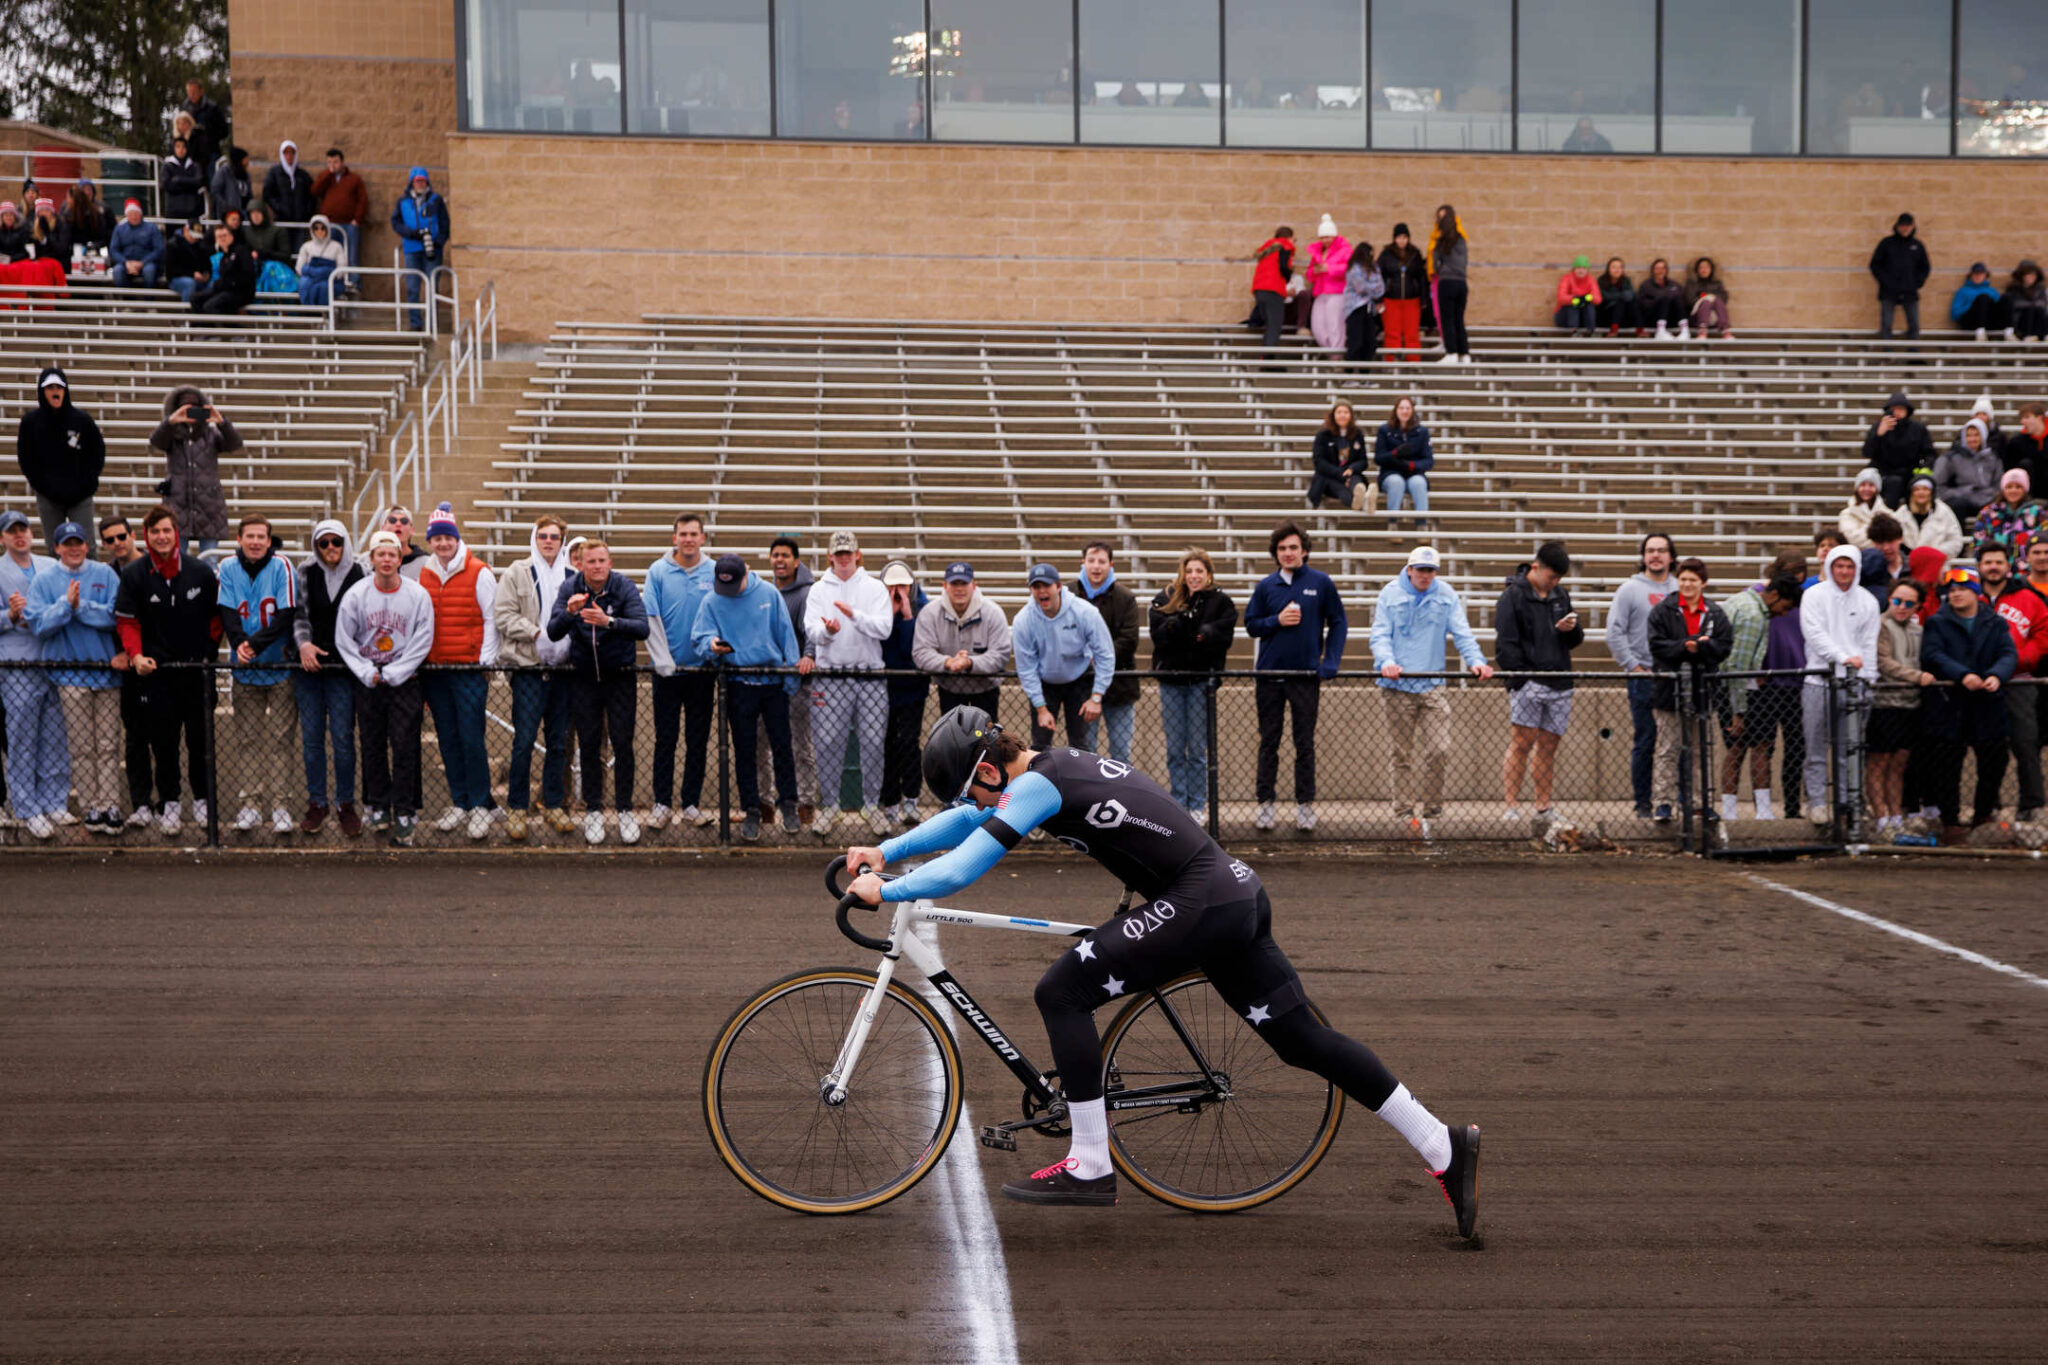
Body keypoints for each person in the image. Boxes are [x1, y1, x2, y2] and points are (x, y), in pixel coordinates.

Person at [841, 711, 1483, 1234]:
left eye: (970, 787)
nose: (973, 801)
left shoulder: (1036, 786)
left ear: (986, 769)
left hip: (1199, 899)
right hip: (1232, 893)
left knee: (1062, 991)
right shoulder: (1047, 765)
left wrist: (886, 890)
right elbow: (969, 818)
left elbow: (959, 869)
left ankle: (1091, 1163)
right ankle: (1443, 1146)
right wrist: (885, 851)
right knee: (1302, 1041)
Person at [1368, 545, 1491, 837]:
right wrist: (1386, 662)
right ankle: (1404, 811)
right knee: (1402, 753)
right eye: (1421, 570)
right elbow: (1380, 633)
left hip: (1432, 684)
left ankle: (1433, 809)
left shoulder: (1445, 595)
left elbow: (1462, 632)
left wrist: (1477, 662)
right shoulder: (1390, 594)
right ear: (1409, 570)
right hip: (1397, 686)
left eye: (1431, 570)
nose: (1426, 575)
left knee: (1439, 749)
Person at [114, 505, 220, 838]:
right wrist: (136, 655)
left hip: (197, 675)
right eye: (156, 531)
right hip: (156, 676)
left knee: (200, 741)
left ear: (177, 534)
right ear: (146, 536)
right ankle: (170, 802)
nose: (162, 537)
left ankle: (203, 800)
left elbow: (216, 622)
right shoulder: (134, 574)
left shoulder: (200, 572)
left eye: (167, 530)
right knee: (164, 743)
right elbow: (127, 622)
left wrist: (207, 656)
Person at [693, 552, 803, 841]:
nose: (728, 592)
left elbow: (785, 635)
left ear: (746, 574)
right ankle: (751, 808)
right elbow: (700, 636)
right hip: (738, 681)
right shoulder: (712, 600)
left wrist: (790, 677)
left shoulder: (768, 593)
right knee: (744, 750)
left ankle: (788, 804)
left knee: (782, 745)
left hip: (772, 680)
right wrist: (711, 645)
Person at [1245, 522, 1346, 832]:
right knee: (1269, 742)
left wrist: (1329, 662)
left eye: (1292, 548)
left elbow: (1339, 623)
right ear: (1275, 553)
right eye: (1281, 549)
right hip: (1270, 676)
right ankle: (1265, 804)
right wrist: (1277, 619)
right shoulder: (1266, 586)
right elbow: (1251, 625)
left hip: (1304, 677)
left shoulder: (1321, 582)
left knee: (1304, 743)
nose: (1287, 553)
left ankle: (1305, 806)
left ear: (1304, 550)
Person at [547, 538, 649, 845]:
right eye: (591, 561)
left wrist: (610, 622)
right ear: (580, 563)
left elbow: (641, 627)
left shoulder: (623, 587)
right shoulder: (570, 587)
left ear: (610, 562)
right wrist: (569, 613)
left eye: (602, 560)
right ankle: (593, 810)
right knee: (589, 744)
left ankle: (625, 809)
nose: (597, 566)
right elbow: (553, 631)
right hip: (584, 678)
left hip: (619, 677)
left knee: (622, 743)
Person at [336, 530, 434, 847]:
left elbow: (423, 639)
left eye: (392, 554)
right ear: (373, 559)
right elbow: (344, 640)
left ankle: (405, 810)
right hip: (370, 680)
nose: (387, 560)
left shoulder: (417, 594)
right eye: (381, 554)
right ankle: (378, 805)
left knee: (406, 747)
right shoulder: (357, 594)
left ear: (400, 557)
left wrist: (396, 672)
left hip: (405, 681)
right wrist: (367, 672)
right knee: (372, 744)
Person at [27, 521, 122, 833]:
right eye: (67, 544)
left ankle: (111, 804)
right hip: (68, 674)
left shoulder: (105, 574)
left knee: (108, 744)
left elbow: (114, 617)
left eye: (79, 542)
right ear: (57, 548)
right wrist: (65, 605)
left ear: (87, 545)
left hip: (105, 672)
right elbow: (39, 624)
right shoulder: (44, 580)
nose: (74, 548)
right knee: (81, 746)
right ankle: (91, 806)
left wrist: (79, 607)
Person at [415, 504, 498, 840]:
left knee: (471, 737)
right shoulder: (425, 571)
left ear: (456, 538)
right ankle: (460, 801)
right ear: (430, 541)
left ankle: (481, 805)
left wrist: (485, 660)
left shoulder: (479, 571)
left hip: (467, 669)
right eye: (437, 538)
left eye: (448, 537)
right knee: (447, 737)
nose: (443, 543)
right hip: (436, 669)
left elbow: (491, 618)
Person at [802, 529, 892, 838]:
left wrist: (854, 615)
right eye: (837, 554)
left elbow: (884, 628)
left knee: (872, 742)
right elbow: (811, 629)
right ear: (830, 556)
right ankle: (830, 806)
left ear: (857, 555)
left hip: (869, 675)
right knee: (827, 743)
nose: (843, 559)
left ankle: (871, 804)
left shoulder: (875, 587)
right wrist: (828, 631)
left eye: (847, 553)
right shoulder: (818, 590)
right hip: (831, 676)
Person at [216, 514, 301, 837]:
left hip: (277, 665)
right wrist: (240, 645)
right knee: (247, 740)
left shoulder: (282, 566)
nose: (255, 542)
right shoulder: (227, 568)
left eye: (260, 537)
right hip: (244, 668)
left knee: (281, 739)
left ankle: (280, 804)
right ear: (239, 539)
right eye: (249, 536)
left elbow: (285, 614)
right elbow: (226, 612)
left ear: (269, 540)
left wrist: (253, 644)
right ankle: (249, 804)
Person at [492, 513, 574, 840]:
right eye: (544, 536)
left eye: (555, 537)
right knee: (524, 741)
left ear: (562, 541)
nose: (549, 542)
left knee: (557, 742)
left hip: (563, 672)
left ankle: (553, 804)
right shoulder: (517, 572)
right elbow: (504, 615)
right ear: (535, 538)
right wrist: (537, 632)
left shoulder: (572, 576)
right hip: (528, 668)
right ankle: (517, 807)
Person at [1920, 566, 2017, 842]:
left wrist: (1996, 675)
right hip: (1950, 705)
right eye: (1952, 591)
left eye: (1963, 589)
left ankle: (1983, 814)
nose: (1956, 594)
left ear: (1976, 593)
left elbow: (2008, 653)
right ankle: (1950, 820)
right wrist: (1962, 675)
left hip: (1987, 704)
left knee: (1994, 759)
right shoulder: (1937, 622)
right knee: (1947, 764)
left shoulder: (1995, 622)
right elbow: (1933, 654)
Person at [1494, 541, 1583, 824]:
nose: (1554, 583)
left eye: (1559, 579)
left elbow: (1575, 640)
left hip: (1559, 681)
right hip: (1528, 682)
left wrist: (1571, 630)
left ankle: (1543, 805)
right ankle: (1511, 805)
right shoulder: (1512, 597)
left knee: (1548, 746)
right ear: (1536, 568)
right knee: (1521, 743)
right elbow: (1505, 645)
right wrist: (1520, 679)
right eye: (1551, 577)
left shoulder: (1560, 595)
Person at [1148, 548, 1236, 820]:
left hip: (1200, 684)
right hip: (1172, 682)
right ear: (1182, 574)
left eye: (1200, 571)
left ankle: (1197, 805)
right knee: (1175, 748)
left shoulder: (1220, 601)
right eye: (1189, 571)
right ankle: (1178, 803)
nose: (1194, 576)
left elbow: (1223, 634)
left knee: (1197, 750)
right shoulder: (1167, 598)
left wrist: (1205, 634)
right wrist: (1175, 626)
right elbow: (1159, 634)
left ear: (1209, 574)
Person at [1646, 558, 1734, 824]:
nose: (1686, 584)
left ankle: (1700, 801)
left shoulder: (1715, 613)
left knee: (1700, 750)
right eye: (1683, 579)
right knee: (1667, 749)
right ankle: (1663, 802)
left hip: (1702, 691)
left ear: (1703, 583)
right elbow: (1657, 645)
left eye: (1692, 580)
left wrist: (1703, 649)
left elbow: (1724, 646)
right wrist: (1685, 647)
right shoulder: (1663, 611)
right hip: (1668, 691)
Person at [292, 518, 364, 838]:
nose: (331, 548)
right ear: (316, 546)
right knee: (311, 741)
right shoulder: (305, 572)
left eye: (336, 542)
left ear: (345, 542)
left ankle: (346, 803)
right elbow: (299, 614)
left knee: (344, 739)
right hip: (311, 670)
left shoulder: (361, 572)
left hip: (344, 671)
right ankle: (317, 802)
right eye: (324, 543)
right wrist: (304, 645)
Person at [644, 511, 716, 830]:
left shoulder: (714, 571)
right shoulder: (658, 571)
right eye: (683, 534)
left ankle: (690, 803)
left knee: (697, 740)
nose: (688, 539)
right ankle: (661, 803)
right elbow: (651, 618)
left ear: (702, 538)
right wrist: (664, 662)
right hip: (668, 673)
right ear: (674, 538)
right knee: (666, 739)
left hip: (702, 671)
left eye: (694, 534)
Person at [1800, 545, 1881, 830]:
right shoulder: (1813, 596)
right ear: (1830, 566)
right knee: (1816, 748)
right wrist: (1841, 658)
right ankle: (1818, 803)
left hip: (1854, 684)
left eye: (1849, 567)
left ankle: (1848, 802)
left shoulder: (1868, 601)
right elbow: (1814, 634)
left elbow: (1869, 643)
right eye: (1839, 566)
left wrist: (1867, 679)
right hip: (1818, 682)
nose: (1844, 572)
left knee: (1851, 748)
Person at [1, 509, 68, 838]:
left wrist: (43, 614)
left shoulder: (50, 566)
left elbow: (62, 606)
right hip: (17, 665)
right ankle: (26, 807)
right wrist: (11, 616)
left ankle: (55, 800)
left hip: (52, 660)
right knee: (22, 738)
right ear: (3, 538)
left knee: (54, 735)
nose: (19, 535)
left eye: (23, 529)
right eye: (12, 531)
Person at [1720, 570, 1805, 824]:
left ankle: (1740, 810)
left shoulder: (1741, 600)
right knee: (1744, 748)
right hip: (1738, 691)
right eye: (1785, 606)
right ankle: (1749, 811)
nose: (1784, 613)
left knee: (1754, 746)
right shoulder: (1754, 616)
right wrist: (1738, 711)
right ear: (1775, 595)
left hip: (1740, 688)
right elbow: (1737, 667)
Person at [1607, 532, 1677, 818]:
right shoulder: (1629, 590)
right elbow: (1614, 631)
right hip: (1643, 678)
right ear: (1643, 556)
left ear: (1671, 556)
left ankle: (1675, 800)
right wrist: (1633, 665)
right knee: (1646, 740)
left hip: (1673, 677)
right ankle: (1643, 803)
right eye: (1650, 550)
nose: (1656, 555)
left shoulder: (1679, 587)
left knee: (1676, 743)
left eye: (1661, 550)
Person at [1012, 561, 1115, 755]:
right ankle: (1039, 785)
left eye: (1046, 586)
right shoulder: (1023, 620)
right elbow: (1026, 667)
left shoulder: (1085, 612)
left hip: (1079, 679)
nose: (1042, 591)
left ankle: (1082, 784)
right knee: (1040, 746)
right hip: (1045, 683)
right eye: (1036, 587)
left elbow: (1105, 654)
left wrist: (1097, 695)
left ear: (1059, 586)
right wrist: (1041, 708)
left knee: (1080, 746)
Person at [98, 515, 156, 830]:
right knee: (135, 739)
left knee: (164, 739)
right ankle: (142, 803)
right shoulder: (106, 574)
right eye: (110, 540)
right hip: (126, 667)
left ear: (133, 535)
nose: (117, 543)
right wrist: (121, 652)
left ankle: (169, 802)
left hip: (155, 662)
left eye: (121, 536)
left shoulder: (152, 566)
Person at [1982, 542, 2046, 821]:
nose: (1993, 567)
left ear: (2009, 566)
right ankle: (1988, 808)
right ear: (1980, 566)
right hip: (1981, 685)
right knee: (1988, 747)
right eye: (1988, 562)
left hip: (2019, 682)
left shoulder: (2027, 597)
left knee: (2026, 744)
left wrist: (2018, 661)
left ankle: (2032, 806)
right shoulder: (1970, 596)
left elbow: (2042, 635)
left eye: (1998, 562)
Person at [912, 559, 1012, 726]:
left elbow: (1001, 654)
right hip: (949, 690)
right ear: (944, 586)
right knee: (953, 744)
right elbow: (921, 652)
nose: (959, 589)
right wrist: (948, 662)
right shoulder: (929, 613)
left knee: (986, 741)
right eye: (954, 583)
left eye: (964, 583)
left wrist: (970, 662)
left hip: (986, 691)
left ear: (974, 585)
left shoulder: (993, 612)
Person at [16, 367, 104, 550]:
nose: (55, 391)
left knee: (87, 545)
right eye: (50, 387)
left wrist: (88, 483)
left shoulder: (82, 420)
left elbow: (97, 452)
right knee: (55, 546)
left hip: (80, 495)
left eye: (59, 387)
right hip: (48, 496)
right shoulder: (30, 422)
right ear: (42, 391)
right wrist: (41, 485)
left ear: (65, 390)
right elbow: (26, 458)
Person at [1868, 576, 1930, 839]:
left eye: (1909, 603)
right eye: (1897, 601)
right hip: (1884, 703)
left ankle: (1895, 814)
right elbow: (1883, 662)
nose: (1902, 607)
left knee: (1900, 763)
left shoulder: (1918, 630)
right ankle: (1881, 818)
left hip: (1910, 704)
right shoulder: (1880, 625)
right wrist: (1916, 677)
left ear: (1917, 606)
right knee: (1879, 762)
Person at [764, 534, 819, 822]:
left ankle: (806, 802)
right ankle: (766, 803)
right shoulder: (765, 592)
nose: (780, 560)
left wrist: (808, 655)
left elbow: (810, 630)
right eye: (775, 556)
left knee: (801, 745)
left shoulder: (806, 593)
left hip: (799, 680)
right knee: (768, 746)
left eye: (785, 555)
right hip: (771, 681)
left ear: (796, 561)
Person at [151, 385, 239, 556]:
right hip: (177, 503)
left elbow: (234, 443)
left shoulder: (211, 434)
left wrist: (222, 422)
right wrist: (170, 421)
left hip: (209, 504)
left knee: (210, 561)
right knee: (177, 558)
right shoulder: (172, 435)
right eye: (186, 409)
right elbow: (156, 441)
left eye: (195, 409)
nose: (191, 413)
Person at [1075, 542, 1140, 764]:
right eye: (1091, 561)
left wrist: (1100, 657)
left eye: (1102, 561)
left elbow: (1129, 639)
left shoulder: (1126, 598)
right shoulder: (1068, 594)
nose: (1096, 566)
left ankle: (1123, 798)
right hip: (1081, 686)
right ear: (1082, 563)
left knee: (1121, 754)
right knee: (1085, 753)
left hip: (1120, 687)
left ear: (1111, 565)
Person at [876, 560, 930, 826]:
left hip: (912, 690)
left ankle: (911, 798)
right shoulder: (877, 606)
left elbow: (915, 651)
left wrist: (908, 618)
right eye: (892, 586)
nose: (897, 591)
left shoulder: (924, 608)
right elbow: (878, 643)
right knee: (885, 745)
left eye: (903, 586)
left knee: (908, 743)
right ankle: (890, 802)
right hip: (883, 690)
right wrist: (889, 613)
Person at [390, 167, 450, 332]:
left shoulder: (436, 200)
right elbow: (395, 222)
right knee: (412, 287)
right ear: (412, 182)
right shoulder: (403, 201)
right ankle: (415, 322)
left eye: (423, 180)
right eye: (417, 181)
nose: (420, 184)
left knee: (432, 287)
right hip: (411, 248)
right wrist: (412, 233)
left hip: (432, 250)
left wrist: (438, 242)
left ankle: (432, 324)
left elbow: (445, 224)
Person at [1862, 390, 1937, 509]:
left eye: (1901, 409)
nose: (1897, 413)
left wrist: (1924, 470)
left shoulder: (1918, 429)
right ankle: (1888, 519)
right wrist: (1878, 435)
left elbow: (1930, 454)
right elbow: (1867, 452)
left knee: (1919, 485)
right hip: (1884, 474)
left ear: (1907, 411)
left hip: (1910, 473)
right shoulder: (1878, 427)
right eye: (1894, 409)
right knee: (1894, 483)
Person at [1868, 212, 1931, 339]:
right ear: (1897, 226)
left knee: (1914, 324)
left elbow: (1925, 267)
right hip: (1888, 291)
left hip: (1910, 291)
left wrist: (1917, 282)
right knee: (1886, 323)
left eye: (1908, 225)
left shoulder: (1917, 245)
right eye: (1902, 225)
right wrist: (1885, 281)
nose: (1905, 228)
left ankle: (1913, 354)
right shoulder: (1886, 244)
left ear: (1913, 226)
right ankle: (1887, 355)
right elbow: (1875, 265)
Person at [1934, 420, 2002, 532]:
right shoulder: (1950, 458)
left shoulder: (1992, 458)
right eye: (1968, 435)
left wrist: (1992, 494)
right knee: (1956, 505)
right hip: (1962, 499)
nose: (1972, 439)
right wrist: (1959, 493)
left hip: (1987, 499)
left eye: (1976, 435)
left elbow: (1998, 483)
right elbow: (1938, 485)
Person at [1373, 395, 1432, 522]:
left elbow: (1428, 461)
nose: (1405, 411)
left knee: (1419, 483)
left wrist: (1411, 465)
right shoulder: (1384, 430)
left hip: (1414, 472)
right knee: (1396, 482)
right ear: (1396, 410)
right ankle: (1393, 523)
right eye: (1401, 408)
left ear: (1412, 410)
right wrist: (1394, 453)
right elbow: (1378, 458)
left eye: (1408, 408)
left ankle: (1422, 525)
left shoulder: (1422, 432)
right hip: (1390, 472)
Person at [311, 148, 368, 274]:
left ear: (342, 162)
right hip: (330, 224)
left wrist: (357, 220)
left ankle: (353, 283)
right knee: (330, 255)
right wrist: (328, 174)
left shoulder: (354, 179)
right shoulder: (325, 177)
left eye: (335, 162)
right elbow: (315, 191)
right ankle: (332, 283)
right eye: (329, 162)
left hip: (349, 225)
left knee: (351, 256)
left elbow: (362, 200)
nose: (333, 165)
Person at [1306, 401, 1370, 511]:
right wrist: (1340, 473)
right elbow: (1319, 462)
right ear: (1333, 415)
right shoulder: (1323, 435)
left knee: (1357, 483)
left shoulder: (1357, 434)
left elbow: (1363, 461)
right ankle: (1361, 502)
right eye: (1339, 412)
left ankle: (1364, 497)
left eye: (1346, 412)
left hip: (1351, 474)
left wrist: (1351, 469)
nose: (1342, 415)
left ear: (1351, 415)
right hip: (1329, 477)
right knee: (1343, 491)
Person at [1427, 205, 1470, 364]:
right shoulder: (1462, 238)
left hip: (1447, 281)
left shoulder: (1441, 240)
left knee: (1447, 318)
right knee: (1459, 319)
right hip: (1461, 282)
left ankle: (1451, 351)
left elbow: (1435, 261)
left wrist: (1442, 269)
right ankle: (1464, 353)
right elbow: (1464, 260)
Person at [1377, 224, 1427, 362]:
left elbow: (1421, 277)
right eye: (1399, 237)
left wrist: (1423, 298)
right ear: (1394, 239)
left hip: (1412, 299)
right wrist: (1379, 298)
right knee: (1392, 333)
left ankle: (1414, 363)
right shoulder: (1386, 254)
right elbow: (1379, 277)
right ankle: (1391, 362)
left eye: (1405, 237)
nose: (1402, 240)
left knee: (1412, 334)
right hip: (1391, 299)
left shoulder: (1415, 254)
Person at [1304, 215, 1353, 353]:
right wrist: (1314, 271)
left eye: (1328, 237)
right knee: (1318, 327)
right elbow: (1309, 274)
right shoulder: (1317, 253)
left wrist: (1329, 269)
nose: (1325, 240)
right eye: (1323, 237)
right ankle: (1331, 351)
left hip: (1337, 293)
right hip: (1320, 292)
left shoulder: (1345, 250)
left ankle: (1336, 356)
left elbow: (1349, 268)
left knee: (1335, 325)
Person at [1248, 226, 1295, 357]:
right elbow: (1284, 267)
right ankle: (1267, 360)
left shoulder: (1267, 250)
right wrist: (1288, 277)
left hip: (1259, 289)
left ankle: (1268, 357)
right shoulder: (1285, 246)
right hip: (1273, 290)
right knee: (1274, 326)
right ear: (1290, 237)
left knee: (1269, 326)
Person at [190, 222, 257, 315]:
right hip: (225, 290)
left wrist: (227, 283)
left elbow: (247, 275)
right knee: (195, 298)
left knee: (210, 306)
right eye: (219, 236)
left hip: (241, 292)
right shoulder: (223, 257)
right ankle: (200, 327)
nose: (222, 239)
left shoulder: (242, 251)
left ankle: (228, 327)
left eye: (224, 235)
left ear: (231, 236)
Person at [1974, 468, 2042, 559]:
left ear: (2025, 490)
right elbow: (1979, 543)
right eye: (2009, 487)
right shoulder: (1988, 513)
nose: (2013, 491)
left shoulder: (2037, 512)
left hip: (2028, 568)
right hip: (1997, 567)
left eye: (2018, 487)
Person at [1894, 475, 1964, 560]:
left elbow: (1955, 541)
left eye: (1925, 489)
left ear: (1931, 492)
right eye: (1917, 489)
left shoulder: (1943, 512)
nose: (1921, 492)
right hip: (1906, 565)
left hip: (1937, 564)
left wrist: (1933, 554)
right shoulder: (1901, 514)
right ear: (1911, 493)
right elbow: (1892, 540)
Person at [261, 141, 315, 241]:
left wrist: (306, 213)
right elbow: (267, 194)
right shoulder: (274, 173)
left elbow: (311, 195)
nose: (289, 156)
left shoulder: (302, 175)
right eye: (286, 153)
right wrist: (280, 208)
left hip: (300, 223)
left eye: (292, 153)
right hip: (282, 222)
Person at [106, 200, 165, 289]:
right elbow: (113, 250)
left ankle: (148, 299)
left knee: (149, 271)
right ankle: (127, 299)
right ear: (126, 215)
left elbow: (159, 249)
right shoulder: (119, 229)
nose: (133, 217)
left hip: (147, 262)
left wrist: (142, 263)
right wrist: (126, 263)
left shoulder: (152, 228)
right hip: (125, 263)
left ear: (141, 214)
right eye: (130, 214)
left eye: (136, 213)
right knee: (118, 271)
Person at [1341, 242, 1382, 368]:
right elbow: (1360, 287)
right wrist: (1372, 287)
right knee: (1355, 342)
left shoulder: (1374, 268)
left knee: (1370, 342)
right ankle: (1349, 375)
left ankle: (1365, 376)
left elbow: (1381, 287)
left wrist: (1371, 287)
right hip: (1355, 308)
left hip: (1369, 308)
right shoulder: (1354, 268)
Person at [241, 202, 296, 294]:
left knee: (270, 269)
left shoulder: (278, 231)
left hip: (277, 268)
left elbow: (285, 254)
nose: (255, 216)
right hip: (255, 267)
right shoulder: (246, 232)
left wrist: (266, 254)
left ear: (264, 214)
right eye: (252, 214)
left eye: (258, 213)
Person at [293, 215, 347, 306]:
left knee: (323, 287)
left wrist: (326, 273)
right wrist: (314, 272)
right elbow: (299, 267)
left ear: (327, 229)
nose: (320, 231)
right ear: (312, 230)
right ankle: (308, 311)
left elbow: (341, 268)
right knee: (303, 283)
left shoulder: (336, 246)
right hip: (310, 277)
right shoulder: (306, 246)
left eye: (323, 228)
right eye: (316, 228)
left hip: (330, 279)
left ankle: (323, 313)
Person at [179, 79, 228, 174]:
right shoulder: (185, 108)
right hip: (192, 152)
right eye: (189, 93)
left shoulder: (212, 108)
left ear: (201, 91)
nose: (191, 95)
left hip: (210, 152)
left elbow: (224, 131)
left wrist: (207, 133)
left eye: (194, 92)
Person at [1951, 262, 2009, 340]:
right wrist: (1974, 306)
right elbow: (1955, 313)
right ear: (1971, 275)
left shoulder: (1992, 291)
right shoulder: (1963, 291)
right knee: (1983, 298)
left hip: (1989, 322)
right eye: (1975, 274)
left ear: (1985, 275)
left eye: (1981, 274)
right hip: (1971, 322)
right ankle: (1980, 331)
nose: (1978, 276)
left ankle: (2009, 331)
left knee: (2006, 298)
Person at [1838, 468, 1891, 549]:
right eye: (1862, 485)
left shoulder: (1887, 513)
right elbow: (1853, 539)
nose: (1867, 489)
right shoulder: (1846, 514)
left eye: (1871, 485)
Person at [164, 219, 212, 304]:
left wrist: (206, 274)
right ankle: (187, 312)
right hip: (177, 278)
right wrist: (192, 274)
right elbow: (171, 269)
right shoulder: (173, 244)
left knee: (212, 285)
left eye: (197, 236)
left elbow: (207, 264)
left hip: (197, 278)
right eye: (192, 235)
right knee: (189, 283)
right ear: (186, 230)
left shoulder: (201, 245)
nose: (195, 238)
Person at [160, 138, 208, 223]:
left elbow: (199, 182)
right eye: (178, 147)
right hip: (173, 211)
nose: (181, 150)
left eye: (183, 147)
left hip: (193, 211)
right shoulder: (167, 166)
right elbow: (167, 185)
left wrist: (178, 180)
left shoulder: (194, 166)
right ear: (173, 148)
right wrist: (189, 185)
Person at [1638, 257, 1686, 339]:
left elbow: (1682, 302)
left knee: (1674, 298)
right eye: (1657, 268)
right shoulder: (1646, 285)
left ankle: (1685, 330)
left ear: (1666, 270)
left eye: (1663, 268)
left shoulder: (1674, 285)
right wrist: (1660, 299)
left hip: (1672, 318)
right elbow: (1643, 304)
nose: (1660, 271)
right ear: (1653, 270)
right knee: (1664, 298)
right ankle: (1660, 330)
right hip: (1654, 318)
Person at [1685, 256, 1732, 340]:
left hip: (1714, 317)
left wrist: (1711, 298)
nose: (1704, 270)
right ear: (1697, 270)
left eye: (1706, 267)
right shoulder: (1692, 283)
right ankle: (1702, 331)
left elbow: (1724, 299)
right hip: (1696, 318)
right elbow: (1689, 300)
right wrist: (1705, 298)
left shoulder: (1717, 283)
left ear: (1711, 269)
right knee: (1706, 301)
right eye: (1701, 267)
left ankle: (1725, 329)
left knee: (1716, 300)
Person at [1554, 255, 1601, 335]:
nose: (1581, 270)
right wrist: (1574, 299)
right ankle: (1573, 330)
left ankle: (1591, 330)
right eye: (1578, 267)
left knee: (1589, 305)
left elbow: (1598, 299)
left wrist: (1588, 297)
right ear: (1574, 269)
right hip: (1564, 318)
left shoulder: (1590, 280)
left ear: (1587, 270)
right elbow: (1561, 298)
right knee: (1574, 304)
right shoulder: (1567, 278)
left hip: (1582, 319)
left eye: (1584, 268)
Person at [1593, 257, 1638, 337]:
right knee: (1621, 300)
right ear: (1608, 269)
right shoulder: (1602, 280)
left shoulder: (1626, 280)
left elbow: (1631, 295)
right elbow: (1603, 297)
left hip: (1623, 317)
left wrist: (1619, 297)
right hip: (1605, 316)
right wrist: (1621, 295)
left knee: (1632, 301)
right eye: (1614, 267)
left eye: (1620, 267)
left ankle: (1640, 329)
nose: (1617, 270)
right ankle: (1614, 330)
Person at [60, 182, 109, 254]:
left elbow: (104, 237)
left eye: (68, 198)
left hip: (91, 251)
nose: (67, 201)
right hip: (73, 252)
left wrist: (93, 245)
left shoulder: (95, 215)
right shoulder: (67, 215)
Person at [2004, 259, 2047, 342]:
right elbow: (2015, 305)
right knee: (2030, 310)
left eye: (2034, 275)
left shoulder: (2040, 290)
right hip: (2021, 322)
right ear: (2021, 276)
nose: (2032, 277)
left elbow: (2042, 304)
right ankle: (2029, 335)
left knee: (2039, 311)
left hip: (2038, 320)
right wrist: (2031, 304)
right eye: (2028, 274)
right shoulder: (2013, 289)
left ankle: (2042, 334)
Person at [2004, 404, 2046, 488]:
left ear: (2039, 418)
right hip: (2028, 496)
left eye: (2027, 417)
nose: (2022, 421)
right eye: (2022, 418)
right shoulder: (2016, 443)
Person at [209, 146, 252, 225]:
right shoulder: (224, 172)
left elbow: (248, 193)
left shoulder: (246, 174)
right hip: (229, 212)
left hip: (243, 212)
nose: (248, 161)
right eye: (245, 158)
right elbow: (215, 191)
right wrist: (225, 206)